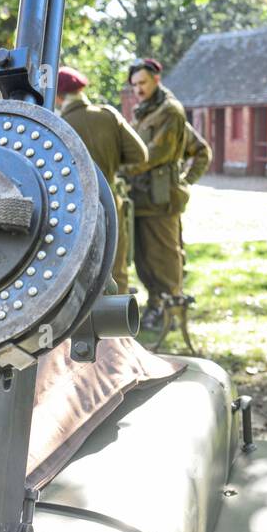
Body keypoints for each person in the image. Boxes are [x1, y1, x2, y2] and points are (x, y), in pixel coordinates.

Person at [55, 66, 148, 293]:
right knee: (117, 269)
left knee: (77, 273)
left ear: (58, 96)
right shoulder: (108, 115)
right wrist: (112, 166)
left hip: (73, 209)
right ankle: (120, 323)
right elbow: (140, 155)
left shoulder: (58, 126)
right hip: (111, 203)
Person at [121, 57, 189, 329]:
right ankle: (156, 307)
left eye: (143, 83)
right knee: (145, 260)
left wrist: (122, 168)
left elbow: (157, 153)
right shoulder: (144, 112)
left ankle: (172, 310)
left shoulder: (170, 111)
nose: (138, 89)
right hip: (141, 197)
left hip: (161, 199)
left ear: (156, 80)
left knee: (164, 257)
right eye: (135, 84)